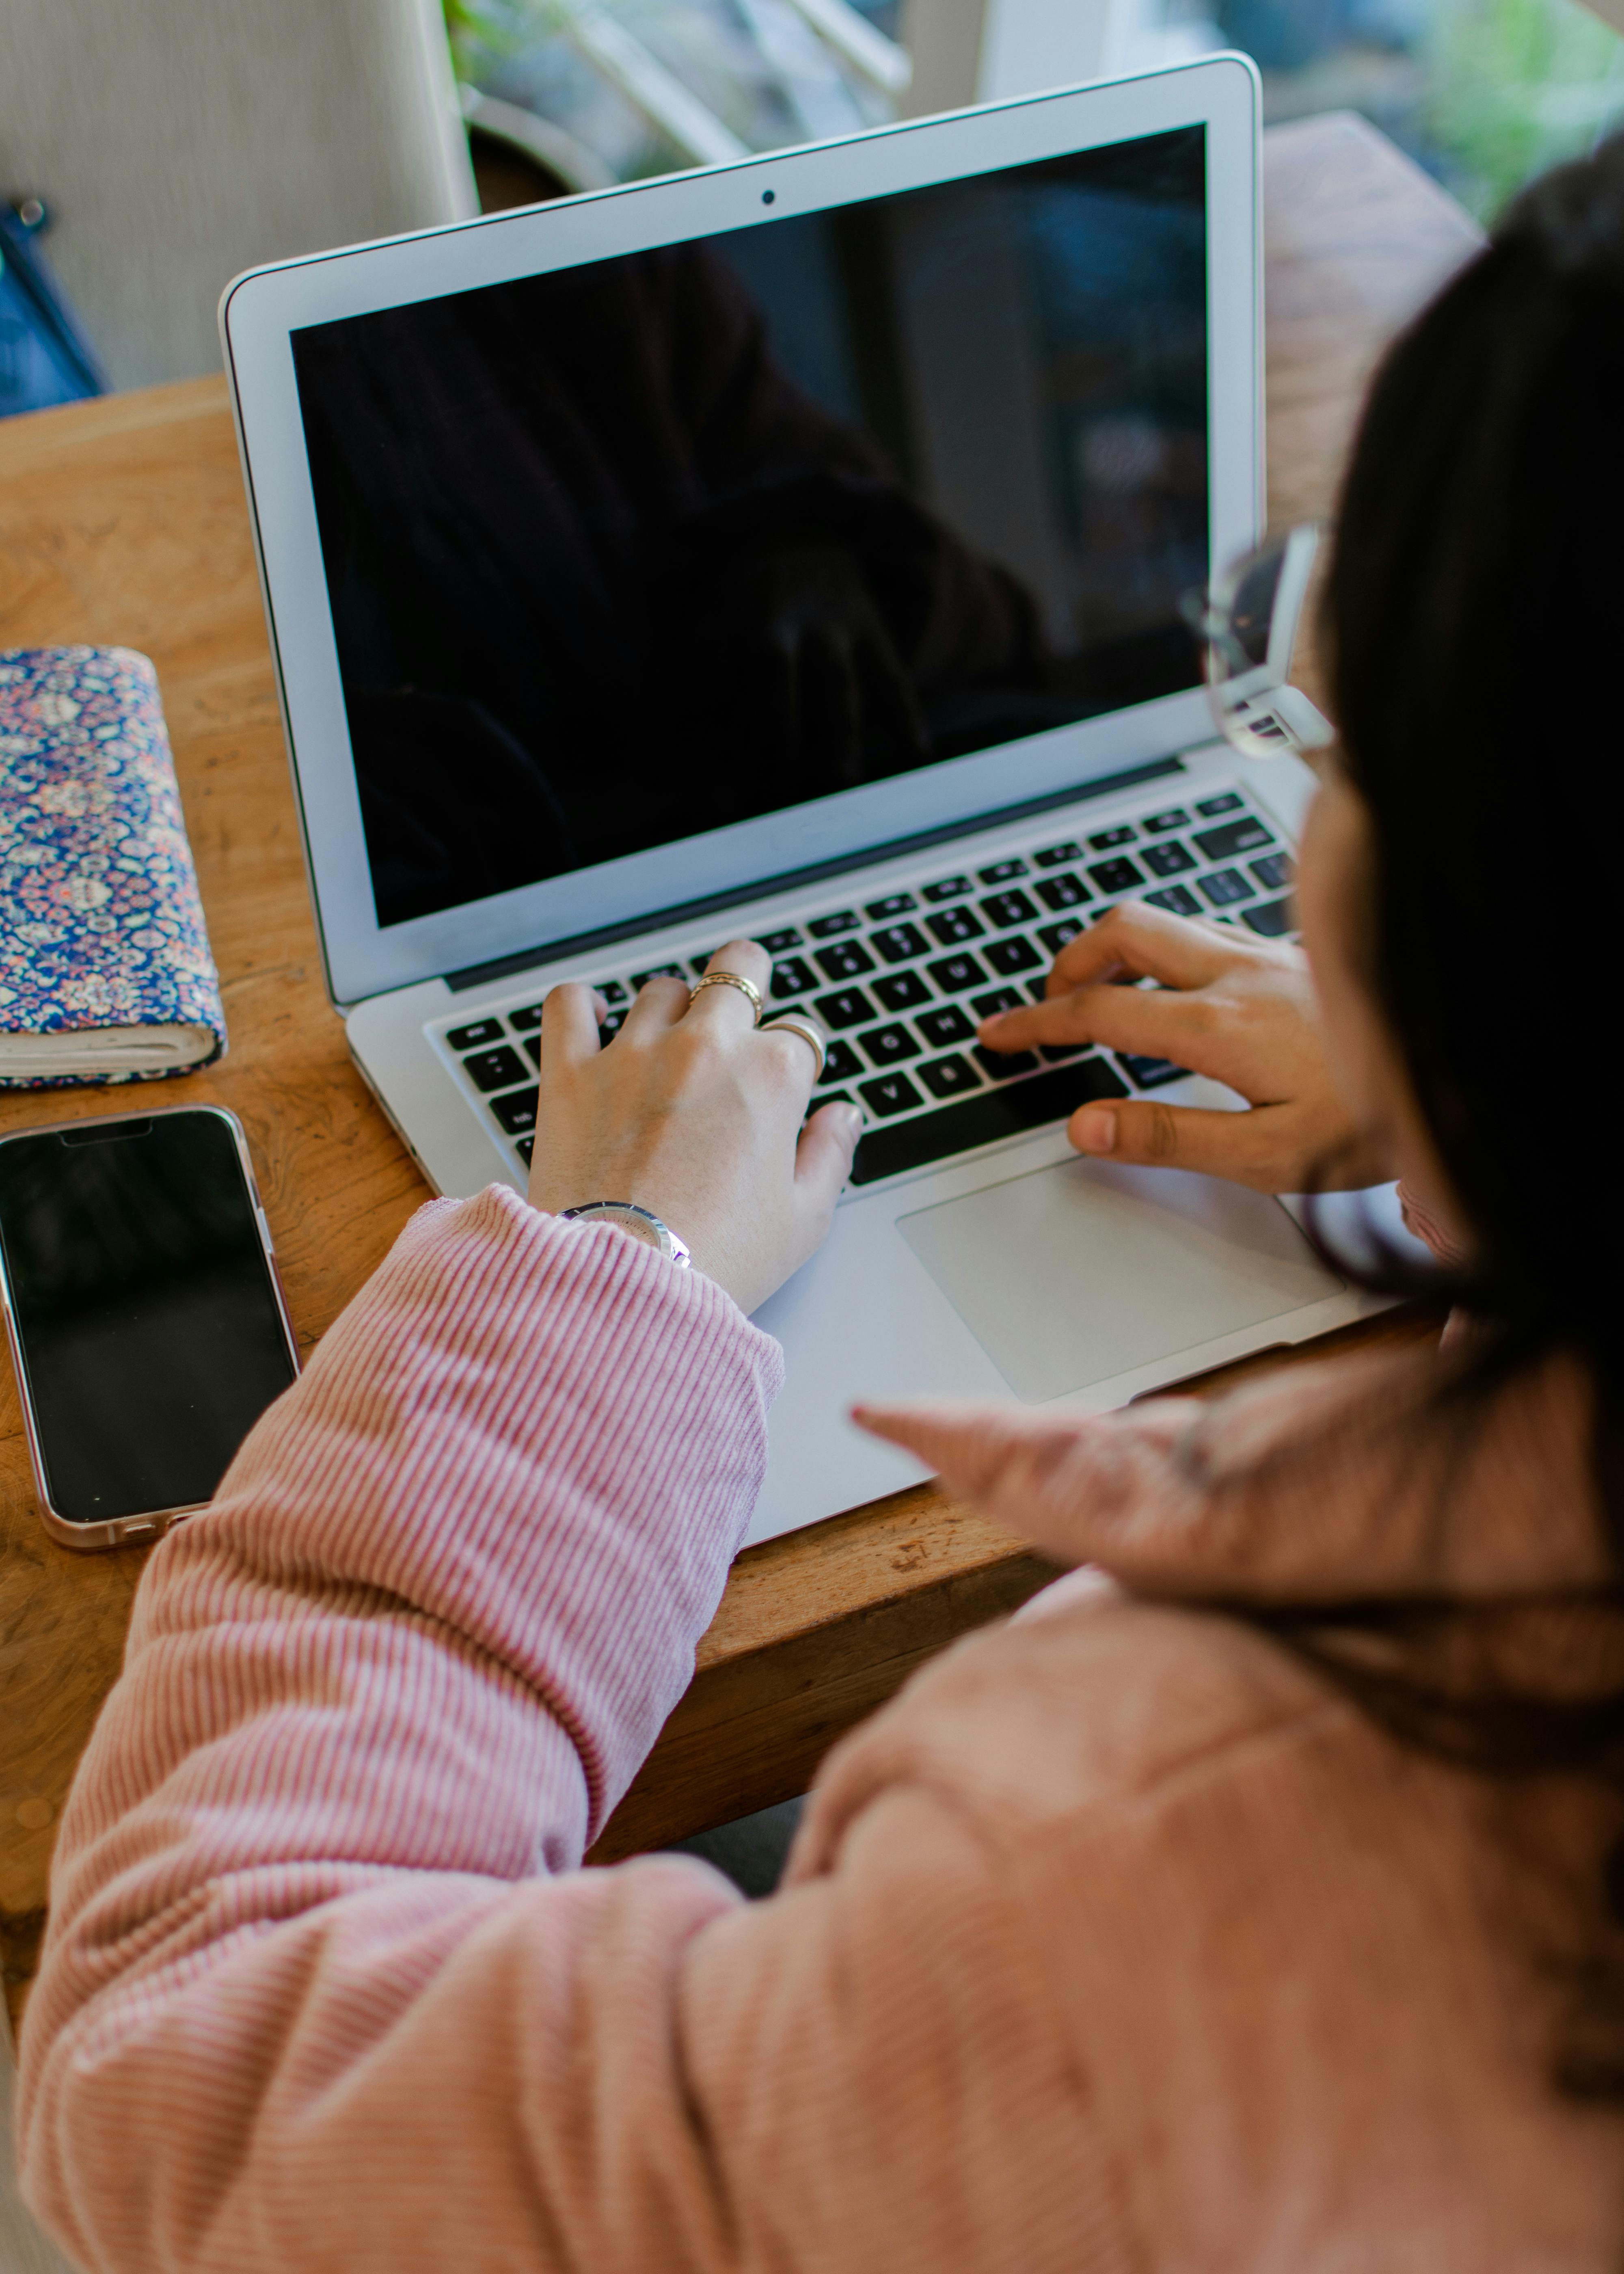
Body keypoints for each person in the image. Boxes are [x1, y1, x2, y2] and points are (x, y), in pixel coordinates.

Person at [18, 133, 1624, 2271]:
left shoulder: (1131, 1902)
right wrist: (1493, 1125)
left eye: (1352, 735)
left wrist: (607, 1284)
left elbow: (175, 2085)